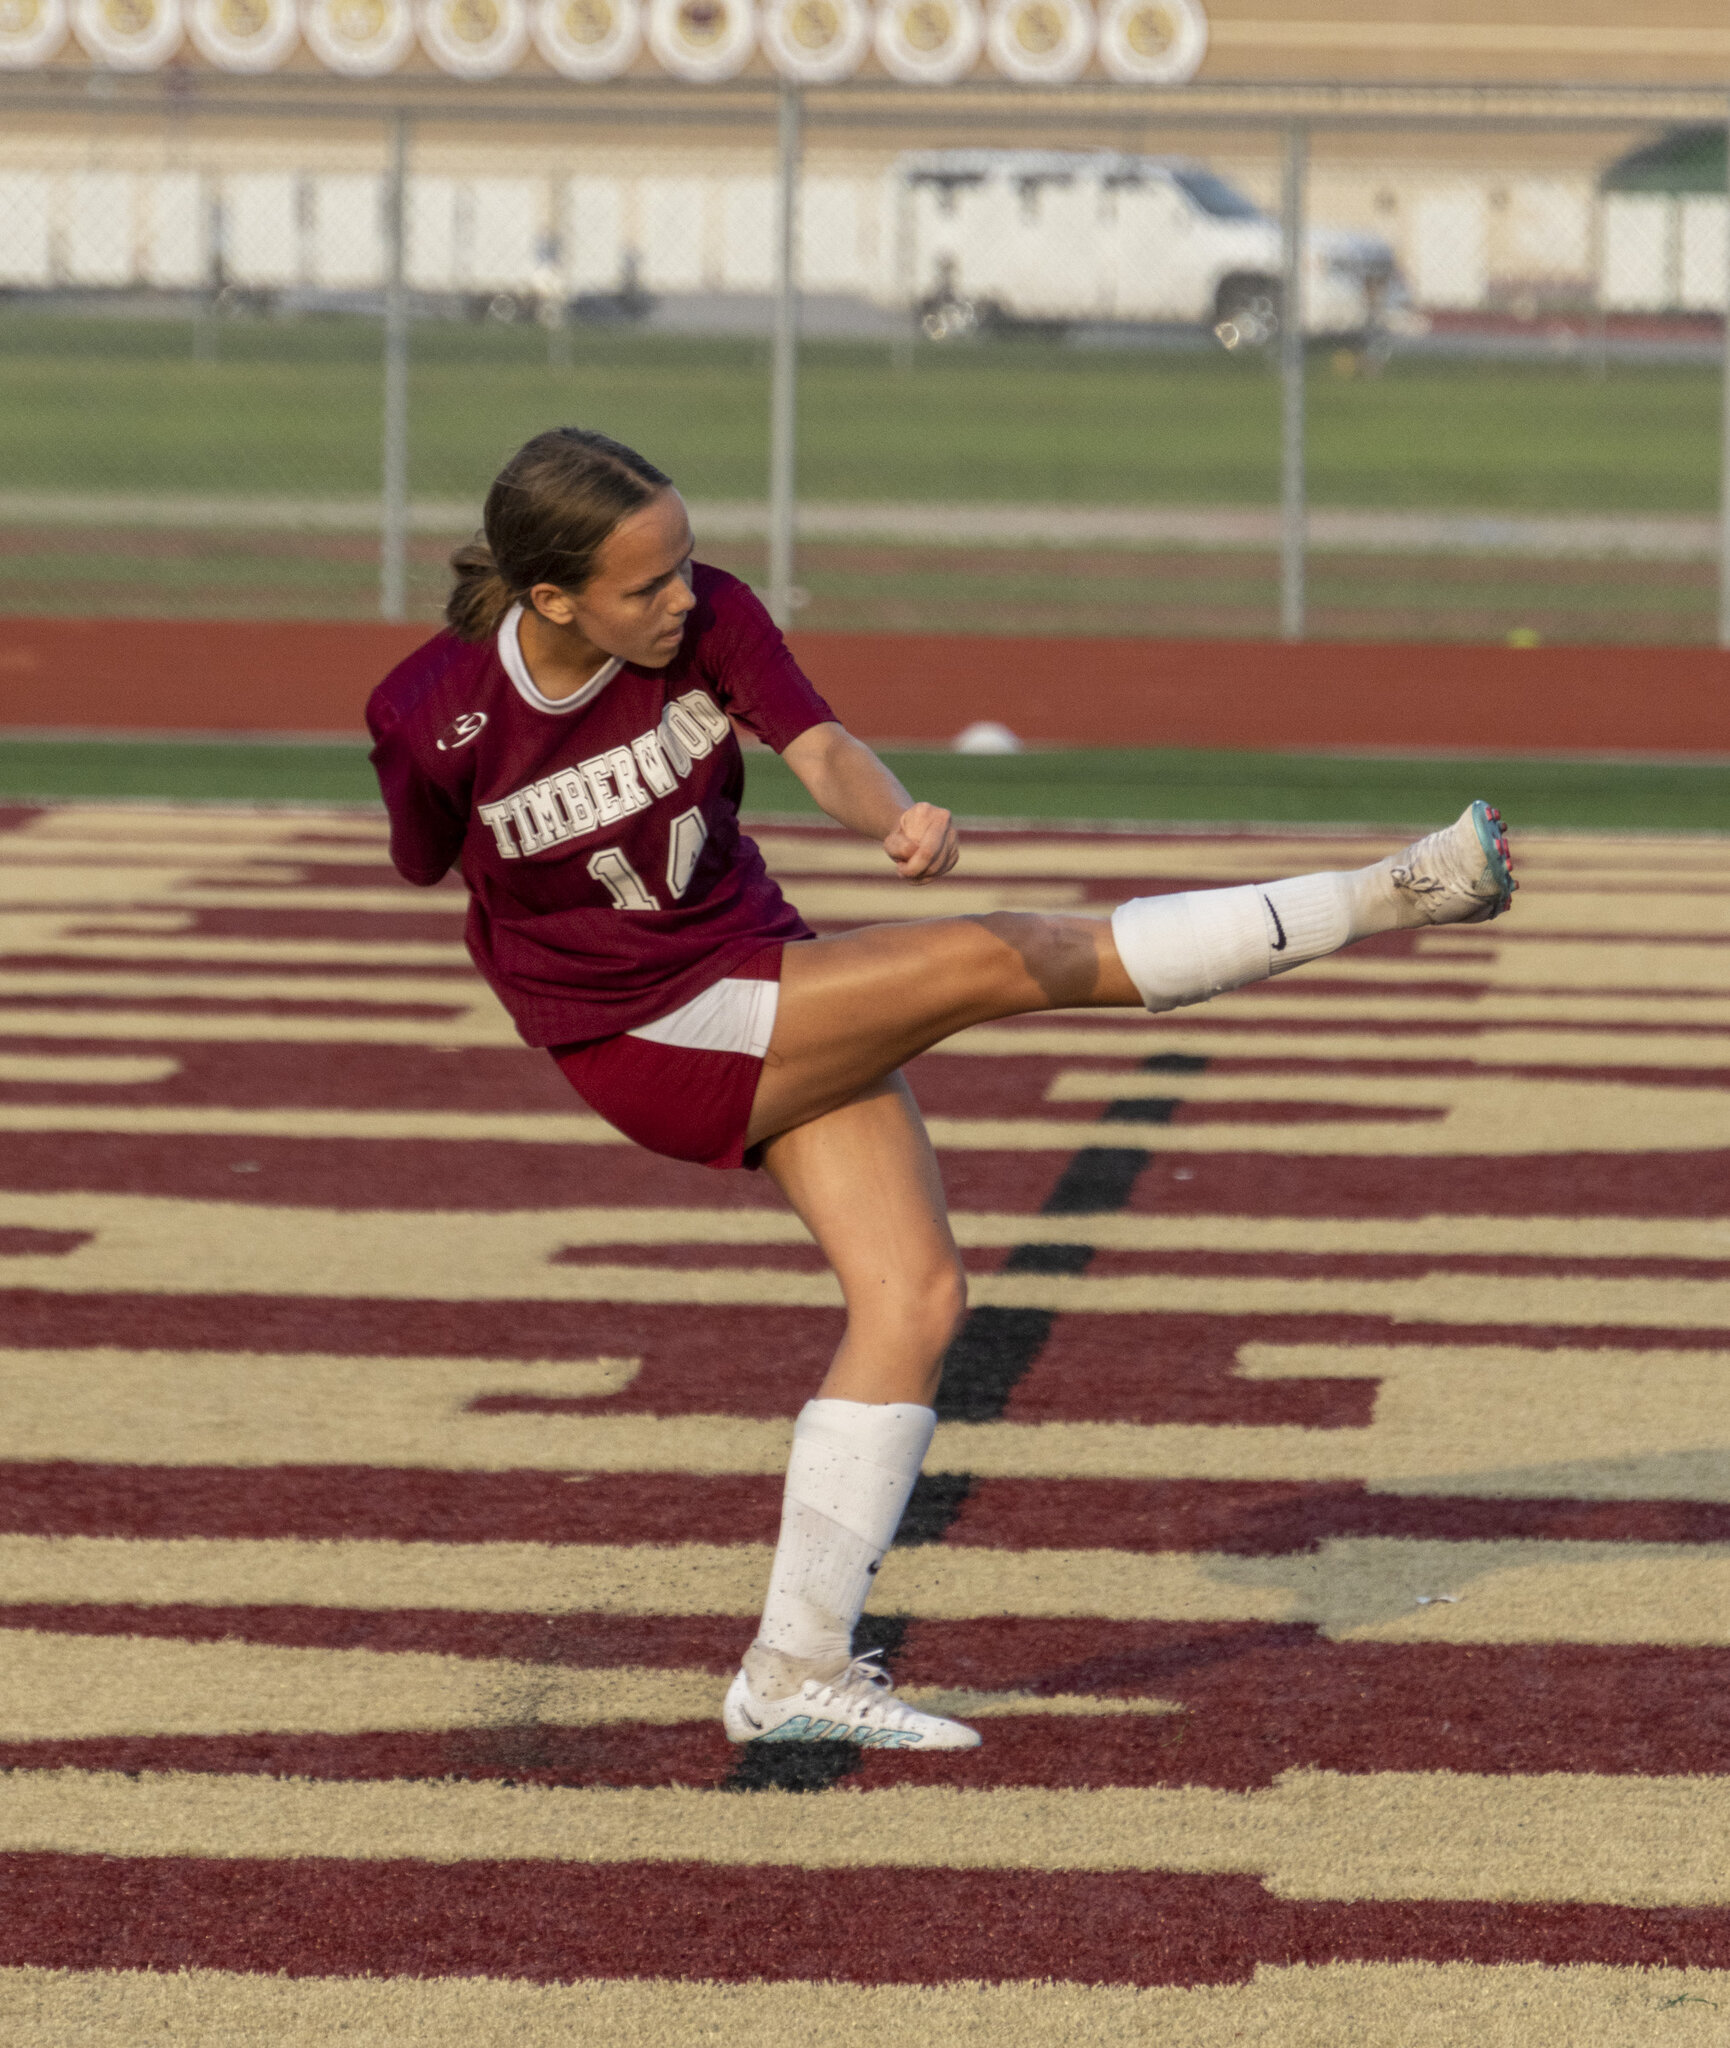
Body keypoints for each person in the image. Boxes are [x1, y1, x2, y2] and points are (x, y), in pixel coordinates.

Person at [368, 426, 1516, 1755]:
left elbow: (816, 741)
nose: (684, 596)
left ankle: (791, 1672)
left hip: (755, 958)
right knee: (997, 957)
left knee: (914, 1299)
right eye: (646, 585)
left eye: (685, 562)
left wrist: (894, 816)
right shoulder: (430, 711)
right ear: (553, 599)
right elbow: (424, 859)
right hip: (642, 1029)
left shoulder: (710, 616)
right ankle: (1402, 889)